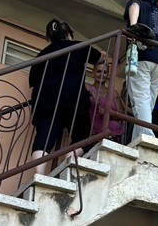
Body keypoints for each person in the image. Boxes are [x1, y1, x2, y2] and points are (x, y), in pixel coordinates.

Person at [29, 19, 103, 174]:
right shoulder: (78, 46)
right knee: (83, 135)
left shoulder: (41, 55)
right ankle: (66, 167)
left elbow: (33, 80)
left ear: (50, 38)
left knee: (44, 137)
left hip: (45, 101)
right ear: (69, 35)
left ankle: (39, 175)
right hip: (72, 99)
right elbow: (100, 58)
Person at [123, 0, 158, 141]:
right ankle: (138, 139)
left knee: (140, 100)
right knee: (147, 104)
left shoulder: (137, 2)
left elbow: (134, 6)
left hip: (141, 57)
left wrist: (134, 27)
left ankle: (147, 136)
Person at [87, 59, 124, 143]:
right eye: (99, 71)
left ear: (108, 75)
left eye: (105, 72)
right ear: (93, 73)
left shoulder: (114, 93)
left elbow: (121, 115)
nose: (102, 75)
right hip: (92, 136)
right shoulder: (87, 88)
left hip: (114, 136)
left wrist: (109, 113)